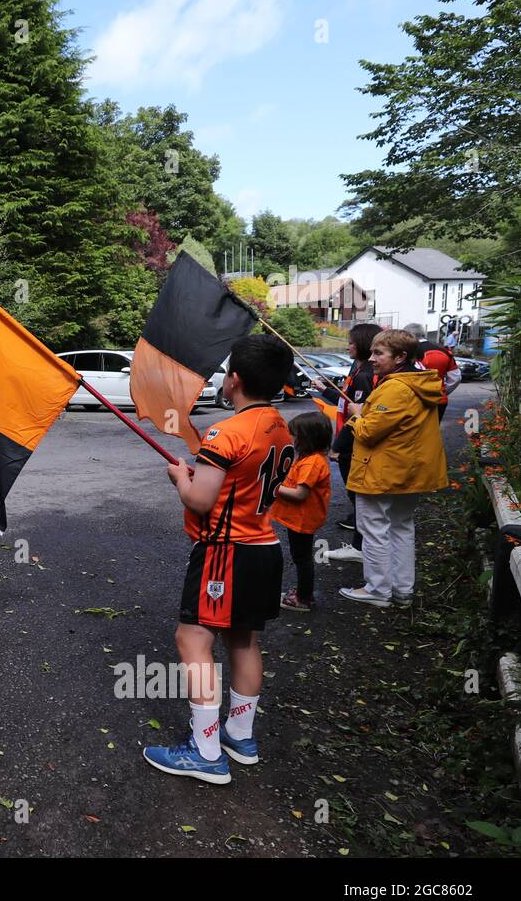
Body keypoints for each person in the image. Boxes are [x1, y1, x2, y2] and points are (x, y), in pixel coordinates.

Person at [143, 334, 295, 784]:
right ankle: (239, 735)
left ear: (233, 381)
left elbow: (200, 502)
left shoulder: (224, 432)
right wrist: (203, 478)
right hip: (264, 547)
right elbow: (238, 484)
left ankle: (205, 752)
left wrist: (179, 478)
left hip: (226, 554)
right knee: (244, 641)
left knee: (192, 640)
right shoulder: (279, 426)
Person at [339, 328, 449, 608]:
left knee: (373, 527)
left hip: (384, 471)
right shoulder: (419, 382)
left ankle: (377, 589)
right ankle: (402, 589)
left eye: (379, 353)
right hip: (409, 471)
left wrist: (356, 415)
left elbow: (369, 432)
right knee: (402, 526)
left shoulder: (395, 387)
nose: (372, 359)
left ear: (400, 356)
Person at [316, 322, 381, 564]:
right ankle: (361, 545)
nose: (348, 346)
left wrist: (337, 447)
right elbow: (347, 402)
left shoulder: (364, 376)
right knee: (358, 500)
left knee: (359, 499)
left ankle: (361, 548)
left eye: (352, 342)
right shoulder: (358, 369)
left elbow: (358, 416)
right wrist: (325, 390)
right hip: (348, 443)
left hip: (353, 446)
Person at [271, 411, 334, 612]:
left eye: (295, 435)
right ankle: (303, 593)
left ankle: (304, 598)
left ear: (307, 438)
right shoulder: (308, 458)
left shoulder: (313, 462)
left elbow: (300, 494)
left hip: (303, 518)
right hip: (300, 518)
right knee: (302, 556)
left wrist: (273, 486)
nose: (291, 438)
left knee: (303, 558)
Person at [403, 322, 460, 422]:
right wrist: (442, 391)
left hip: (414, 401)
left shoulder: (406, 352)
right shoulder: (444, 351)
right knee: (433, 433)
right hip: (439, 400)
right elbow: (456, 378)